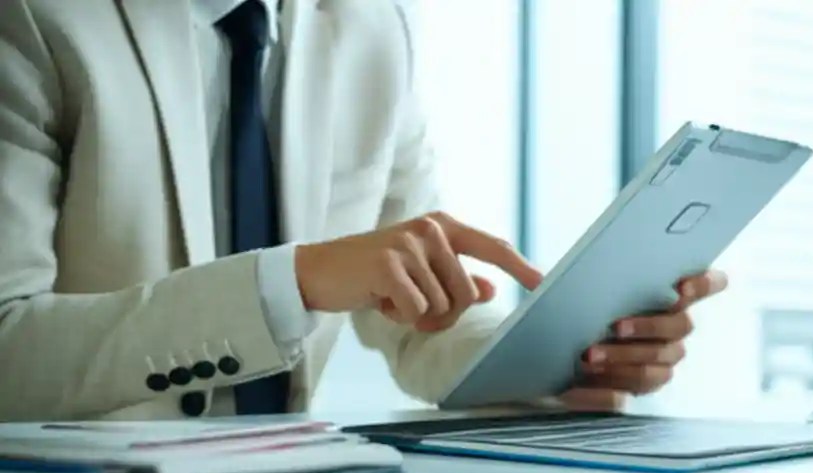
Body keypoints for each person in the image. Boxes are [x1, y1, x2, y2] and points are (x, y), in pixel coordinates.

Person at [0, 0, 727, 422]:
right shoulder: (34, 19)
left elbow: (425, 326)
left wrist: (567, 361)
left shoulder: (370, 30)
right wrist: (296, 281)